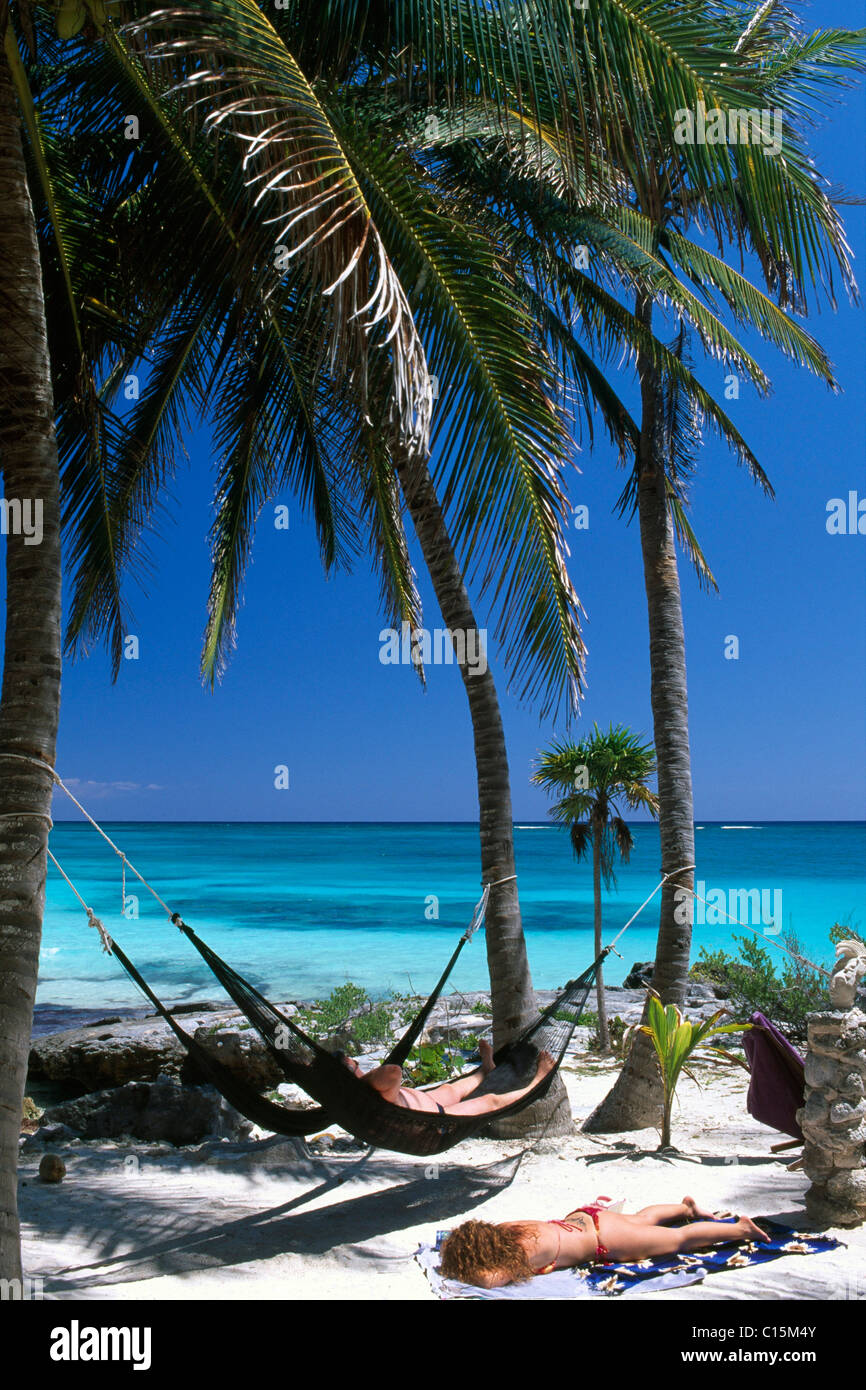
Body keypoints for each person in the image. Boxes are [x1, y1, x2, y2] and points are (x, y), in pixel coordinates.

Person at [439, 1197, 771, 1287]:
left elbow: (488, 1280)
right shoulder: (510, 1229)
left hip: (605, 1240)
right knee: (642, 1219)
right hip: (586, 1217)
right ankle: (686, 1206)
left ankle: (740, 1229)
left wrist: (457, 1269)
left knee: (678, 1240)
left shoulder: (520, 1255)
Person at [339, 1039, 555, 1115]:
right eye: (355, 1066)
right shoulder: (369, 1089)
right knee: (489, 1102)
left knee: (453, 1089)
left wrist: (358, 1081)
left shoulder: (363, 1091)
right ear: (349, 1077)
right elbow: (394, 1072)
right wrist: (362, 1083)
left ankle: (485, 1070)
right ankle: (537, 1082)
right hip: (435, 1121)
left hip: (426, 1102)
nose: (360, 1068)